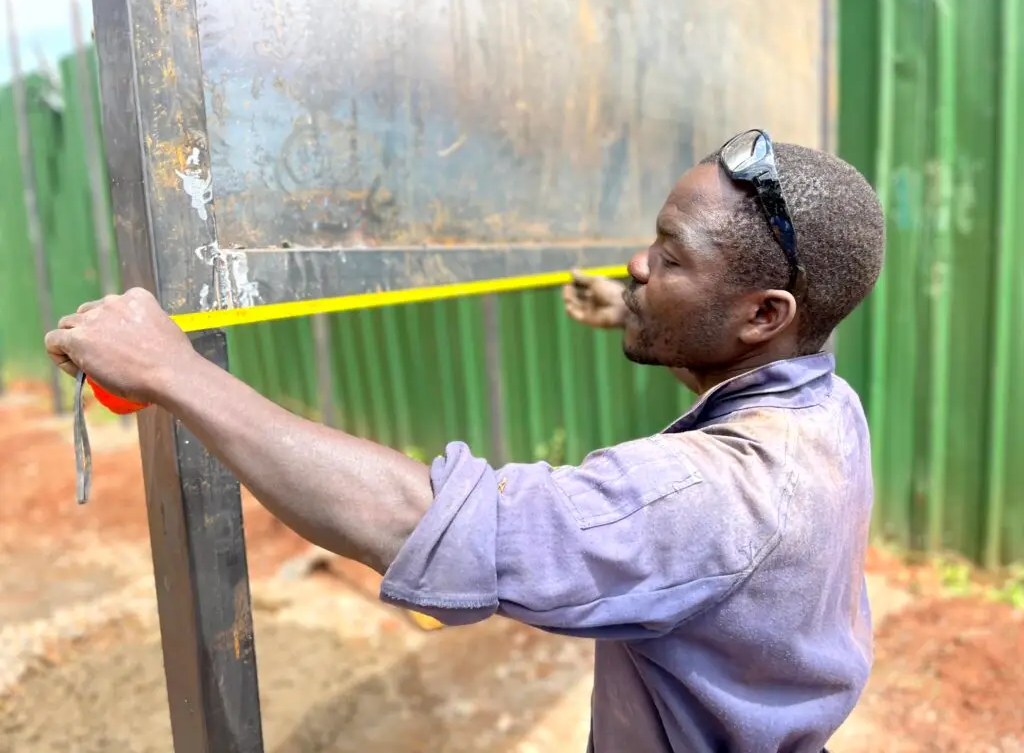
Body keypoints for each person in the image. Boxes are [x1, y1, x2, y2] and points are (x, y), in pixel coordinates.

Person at [45, 129, 884, 752]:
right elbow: (723, 369)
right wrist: (641, 315)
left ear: (762, 315)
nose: (636, 263)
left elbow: (420, 521)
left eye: (669, 257)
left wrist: (172, 370)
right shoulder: (826, 410)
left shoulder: (710, 498)